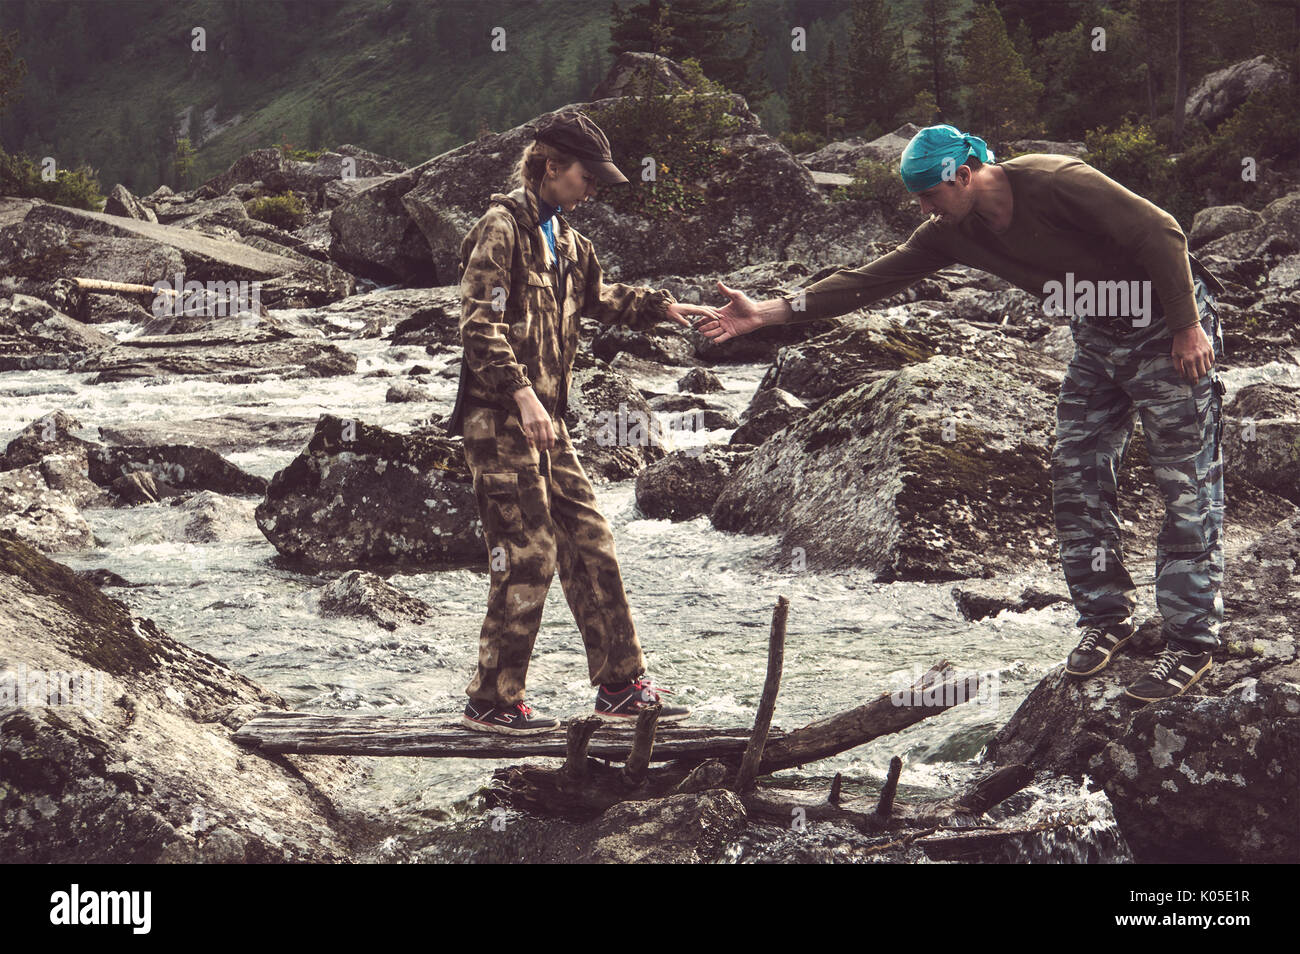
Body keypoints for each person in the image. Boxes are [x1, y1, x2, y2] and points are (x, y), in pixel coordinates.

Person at [694, 123, 1227, 704]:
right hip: (1098, 336)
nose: (923, 208)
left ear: (964, 175)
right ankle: (1106, 619)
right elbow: (865, 283)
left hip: (1168, 329)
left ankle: (1192, 638)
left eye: (929, 194)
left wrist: (1186, 327)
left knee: (1184, 482)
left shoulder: (1057, 179)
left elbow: (1160, 231)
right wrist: (767, 313)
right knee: (1076, 473)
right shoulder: (949, 230)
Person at [448, 109, 713, 734]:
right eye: (585, 176)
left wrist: (667, 309)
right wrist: (523, 396)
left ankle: (620, 688)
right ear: (548, 167)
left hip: (548, 423)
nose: (592, 187)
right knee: (528, 553)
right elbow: (477, 324)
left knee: (592, 540)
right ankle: (491, 699)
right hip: (499, 421)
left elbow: (598, 299)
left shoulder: (567, 240)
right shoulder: (500, 228)